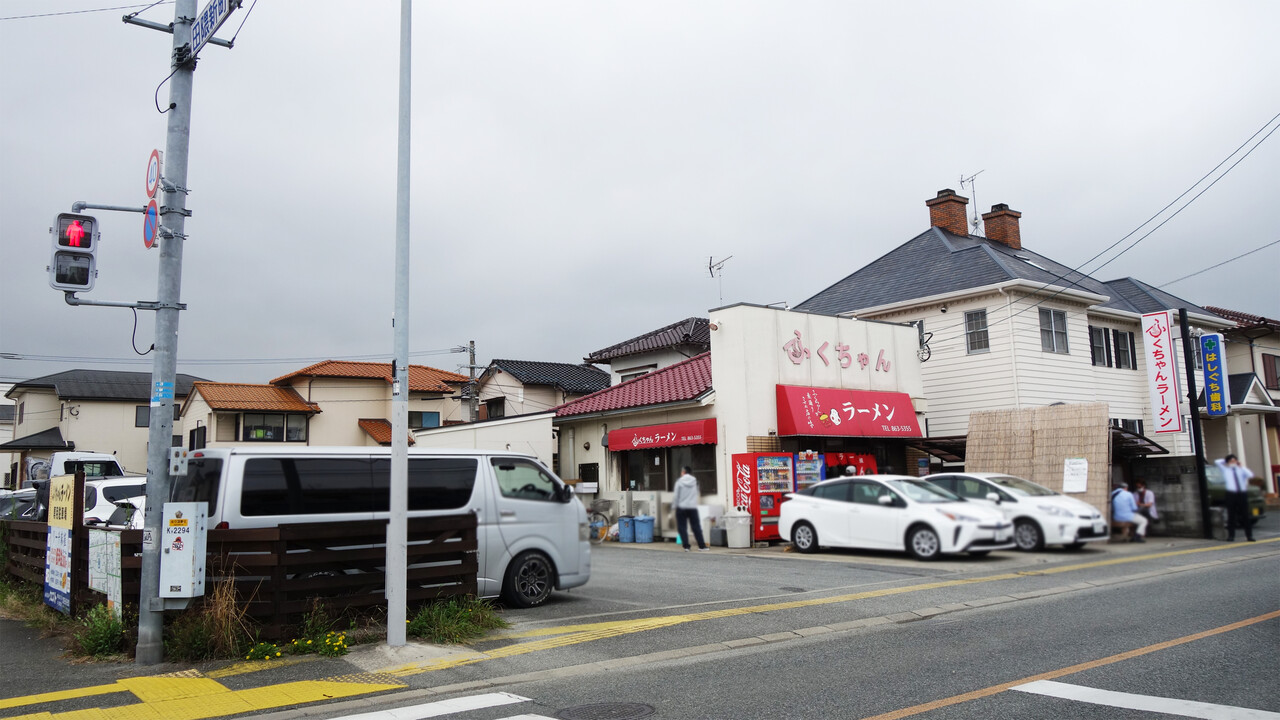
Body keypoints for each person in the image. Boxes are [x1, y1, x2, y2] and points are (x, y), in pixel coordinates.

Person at [1215, 455, 1256, 542]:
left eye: (1234, 461)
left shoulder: (1241, 470)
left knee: (1245, 515)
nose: (1233, 462)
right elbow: (1217, 462)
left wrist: (1240, 466)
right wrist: (1226, 461)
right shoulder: (1225, 470)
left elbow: (1250, 475)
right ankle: (1231, 536)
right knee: (1231, 516)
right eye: (1231, 461)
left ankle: (1249, 536)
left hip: (1242, 494)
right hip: (1231, 494)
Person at [672, 466, 709, 552]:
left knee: (682, 527)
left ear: (683, 472)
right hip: (692, 507)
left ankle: (686, 546)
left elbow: (676, 495)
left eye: (681, 472)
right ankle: (701, 546)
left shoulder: (679, 482)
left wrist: (674, 506)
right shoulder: (695, 481)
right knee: (696, 527)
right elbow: (696, 492)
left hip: (681, 507)